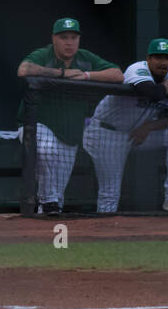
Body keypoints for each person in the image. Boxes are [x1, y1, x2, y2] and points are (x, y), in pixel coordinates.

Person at [15, 17, 122, 214]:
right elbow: (24, 69)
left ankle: (43, 223)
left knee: (57, 193)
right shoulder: (43, 54)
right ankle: (48, 202)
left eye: (74, 37)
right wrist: (62, 73)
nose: (69, 42)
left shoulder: (85, 58)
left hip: (69, 133)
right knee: (47, 151)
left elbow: (117, 74)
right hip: (37, 124)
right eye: (64, 37)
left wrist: (87, 76)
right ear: (54, 39)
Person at [81, 38, 168, 215]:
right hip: (107, 133)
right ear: (148, 59)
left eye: (167, 58)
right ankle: (104, 233)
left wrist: (148, 128)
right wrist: (167, 85)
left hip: (137, 133)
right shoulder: (137, 69)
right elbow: (153, 94)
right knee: (110, 193)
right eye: (158, 57)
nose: (163, 62)